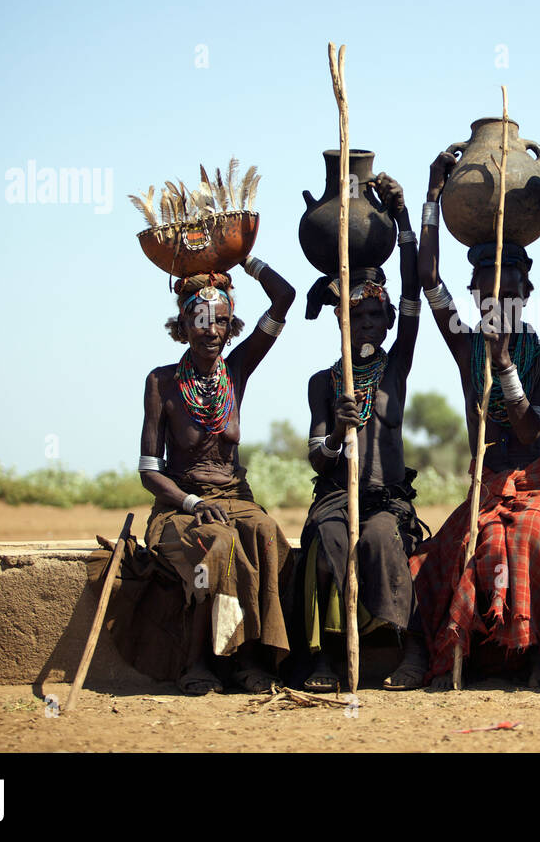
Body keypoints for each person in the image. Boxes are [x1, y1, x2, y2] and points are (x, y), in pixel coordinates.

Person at [408, 149, 540, 690]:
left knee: (523, 534)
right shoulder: (466, 347)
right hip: (487, 481)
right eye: (485, 290)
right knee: (451, 550)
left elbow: (531, 430)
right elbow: (429, 276)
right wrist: (432, 196)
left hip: (538, 480)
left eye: (508, 290)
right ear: (475, 295)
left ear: (526, 295)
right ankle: (445, 651)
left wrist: (505, 367)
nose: (496, 298)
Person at [138, 258, 296, 695]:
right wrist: (191, 503)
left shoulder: (237, 369)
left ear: (231, 327)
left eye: (221, 322)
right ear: (183, 324)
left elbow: (285, 297)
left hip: (236, 497)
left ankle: (252, 660)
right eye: (201, 320)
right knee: (219, 544)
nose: (211, 331)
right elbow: (149, 471)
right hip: (180, 506)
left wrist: (247, 259)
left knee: (265, 531)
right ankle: (199, 661)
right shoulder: (162, 382)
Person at [298, 172, 431, 692]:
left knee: (378, 537)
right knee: (327, 541)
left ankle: (410, 648)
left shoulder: (397, 367)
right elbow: (316, 456)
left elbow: (415, 293)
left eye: (380, 314)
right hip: (335, 496)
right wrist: (337, 433)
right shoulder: (324, 383)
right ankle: (324, 659)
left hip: (386, 501)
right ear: (343, 320)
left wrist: (401, 220)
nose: (374, 322)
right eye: (362, 314)